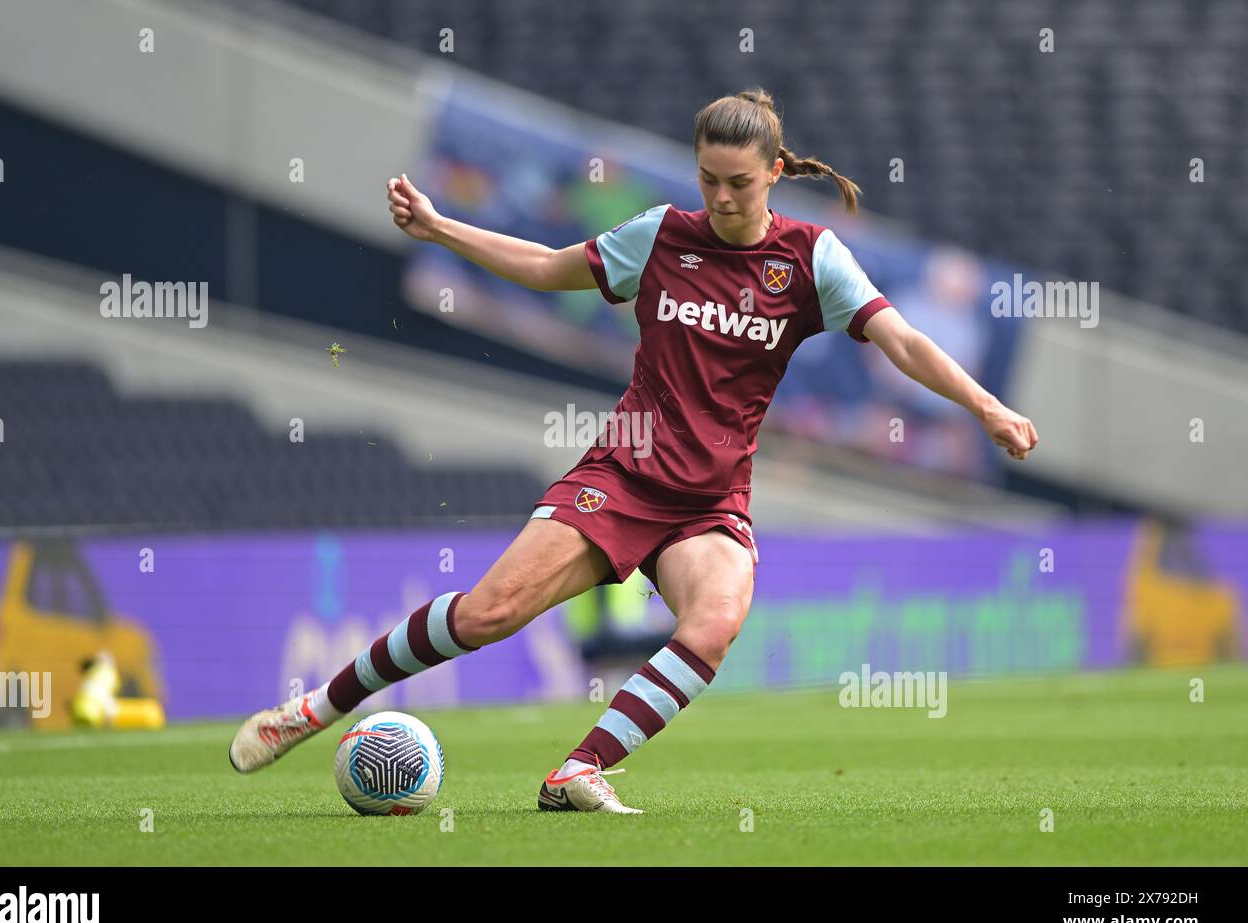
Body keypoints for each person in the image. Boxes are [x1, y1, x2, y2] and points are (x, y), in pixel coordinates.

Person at [229, 88, 1038, 814]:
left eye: (740, 183)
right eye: (709, 179)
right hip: (621, 476)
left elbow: (899, 341)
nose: (722, 198)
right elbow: (549, 269)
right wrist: (441, 228)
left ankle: (577, 771)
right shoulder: (661, 236)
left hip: (710, 501)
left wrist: (986, 406)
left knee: (715, 622)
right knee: (488, 614)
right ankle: (311, 711)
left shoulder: (812, 259)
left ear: (776, 173)